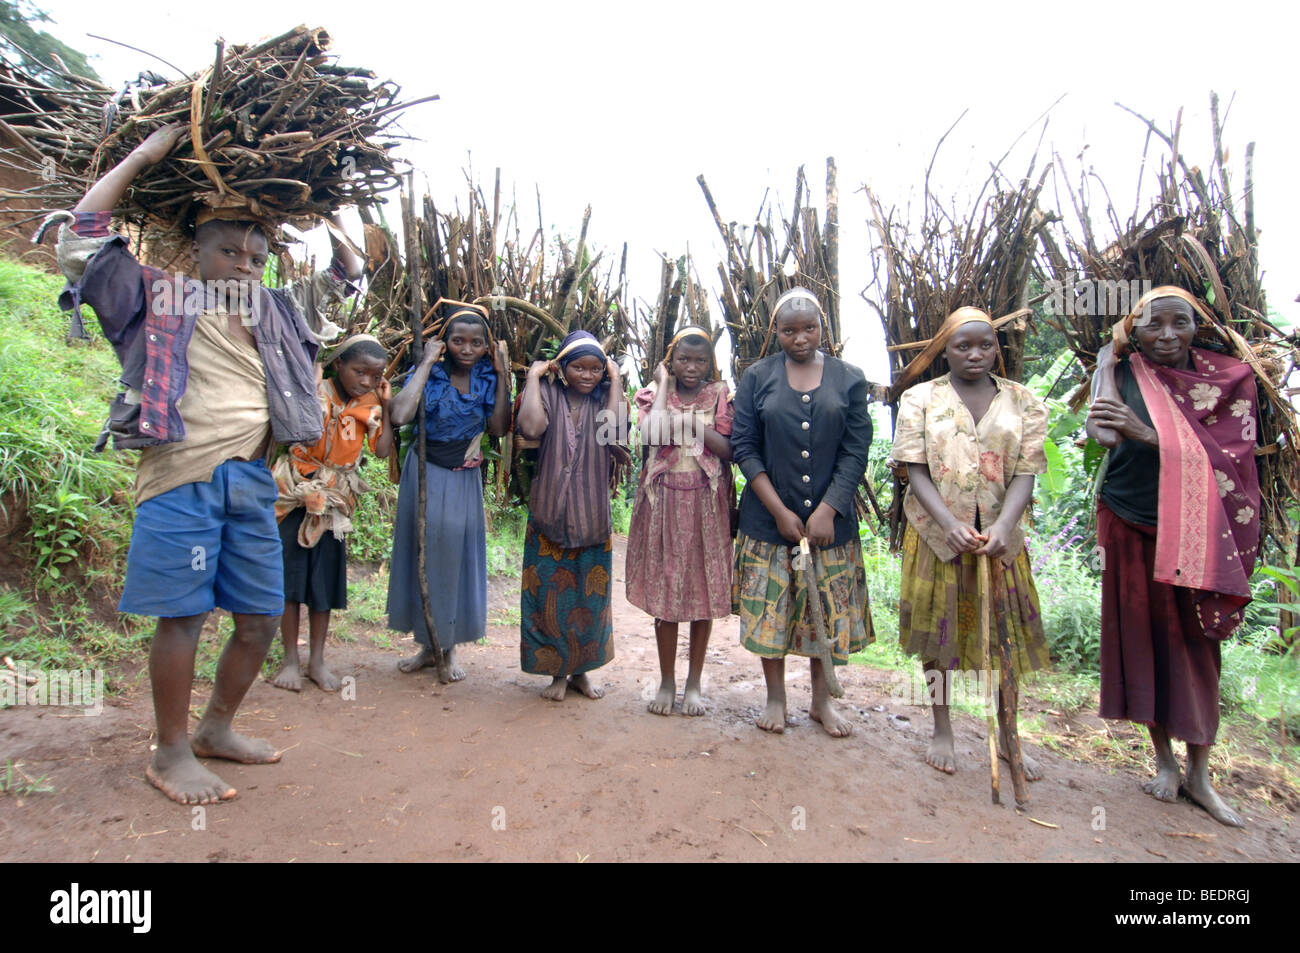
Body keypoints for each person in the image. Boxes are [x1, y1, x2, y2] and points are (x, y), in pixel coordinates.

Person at [43, 122, 363, 805]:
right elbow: (86, 233)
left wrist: (325, 209)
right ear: (196, 248)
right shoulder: (160, 298)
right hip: (179, 480)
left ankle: (217, 728)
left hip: (251, 481)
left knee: (255, 617)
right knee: (183, 619)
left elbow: (348, 276)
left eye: (257, 255)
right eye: (228, 251)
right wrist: (143, 155)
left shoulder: (277, 310)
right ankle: (169, 750)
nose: (245, 265)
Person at [1086, 286, 1259, 827]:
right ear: (1132, 331)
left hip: (1197, 533)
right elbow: (1102, 434)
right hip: (1128, 521)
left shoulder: (1228, 379)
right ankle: (1163, 761)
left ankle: (1200, 774)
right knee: (1140, 641)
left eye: (1178, 323)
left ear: (1197, 324)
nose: (1166, 336)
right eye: (1151, 325)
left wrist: (1148, 432)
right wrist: (1103, 367)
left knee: (1195, 644)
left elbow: (1233, 457)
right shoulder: (1124, 371)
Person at [889, 306, 1051, 778]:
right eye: (963, 346)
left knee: (1004, 638)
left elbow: (1026, 472)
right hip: (939, 538)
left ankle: (1007, 732)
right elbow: (913, 469)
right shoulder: (920, 399)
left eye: (985, 345)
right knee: (938, 636)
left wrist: (1003, 527)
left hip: (1000, 540)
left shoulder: (1025, 403)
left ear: (996, 349)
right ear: (946, 350)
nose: (975, 355)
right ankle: (942, 728)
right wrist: (947, 523)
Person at [731, 287, 873, 737]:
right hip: (768, 523)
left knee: (823, 614)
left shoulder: (849, 379)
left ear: (822, 327)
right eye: (789, 330)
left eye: (809, 327)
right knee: (769, 612)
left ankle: (820, 703)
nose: (800, 338)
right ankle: (776, 698)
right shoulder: (756, 378)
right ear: (777, 332)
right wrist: (777, 510)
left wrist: (830, 508)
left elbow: (856, 450)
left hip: (830, 528)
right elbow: (744, 447)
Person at [387, 306, 511, 681]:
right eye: (458, 340)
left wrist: (504, 374)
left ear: (487, 346)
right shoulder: (433, 373)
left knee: (453, 559)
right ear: (445, 343)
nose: (467, 349)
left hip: (462, 477)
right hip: (423, 472)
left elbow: (500, 427)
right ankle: (427, 646)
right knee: (422, 554)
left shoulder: (489, 377)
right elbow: (400, 415)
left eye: (476, 342)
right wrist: (426, 363)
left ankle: (450, 647)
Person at [270, 335, 393, 693]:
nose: (366, 381)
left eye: (375, 375)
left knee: (324, 579)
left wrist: (386, 406)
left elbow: (382, 451)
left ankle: (317, 661)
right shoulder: (312, 390)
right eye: (360, 372)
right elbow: (291, 430)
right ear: (338, 364)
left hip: (336, 501)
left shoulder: (370, 403)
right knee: (290, 580)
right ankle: (290, 659)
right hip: (296, 491)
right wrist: (308, 385)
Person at [515, 329, 628, 701]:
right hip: (549, 517)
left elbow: (615, 434)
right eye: (578, 367)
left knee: (588, 602)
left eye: (596, 369)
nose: (587, 374)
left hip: (592, 518)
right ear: (562, 368)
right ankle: (557, 674)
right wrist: (533, 377)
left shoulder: (607, 399)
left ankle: (581, 673)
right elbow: (530, 427)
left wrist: (615, 381)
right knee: (548, 599)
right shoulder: (546, 393)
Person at [626, 327, 733, 716]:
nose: (693, 367)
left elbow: (726, 449)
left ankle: (694, 683)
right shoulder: (654, 395)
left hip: (707, 502)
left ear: (710, 363)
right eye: (684, 359)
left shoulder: (720, 395)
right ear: (671, 361)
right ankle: (667, 680)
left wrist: (690, 423)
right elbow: (652, 434)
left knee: (702, 592)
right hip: (664, 502)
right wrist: (662, 383)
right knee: (666, 592)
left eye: (700, 360)